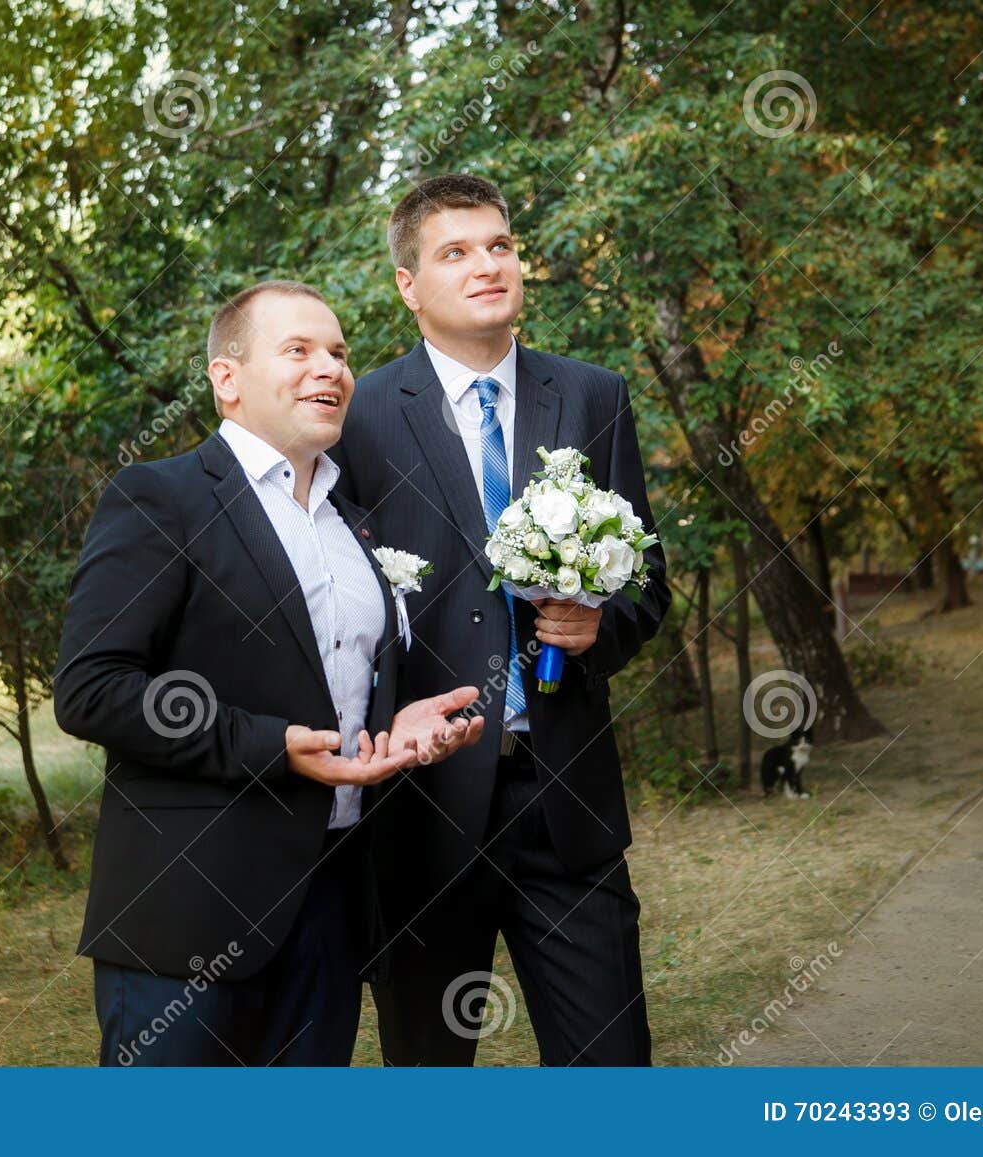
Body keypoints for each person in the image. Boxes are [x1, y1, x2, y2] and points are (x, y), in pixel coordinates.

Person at [54, 278, 484, 1066]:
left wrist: (394, 723)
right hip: (189, 911)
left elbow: (335, 678)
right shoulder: (160, 498)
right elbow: (91, 688)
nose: (331, 368)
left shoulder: (355, 521)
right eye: (298, 350)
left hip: (332, 904)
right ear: (228, 378)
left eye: (340, 353)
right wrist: (269, 746)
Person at [333, 174, 671, 1065]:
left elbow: (647, 579)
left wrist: (602, 626)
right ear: (409, 284)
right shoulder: (359, 416)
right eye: (455, 252)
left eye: (500, 246)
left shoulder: (593, 395)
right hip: (423, 808)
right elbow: (335, 605)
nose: (488, 265)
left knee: (612, 1067)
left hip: (566, 800)